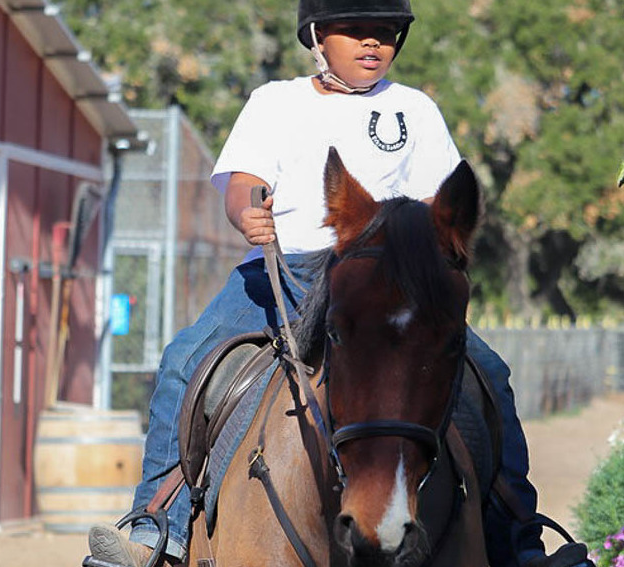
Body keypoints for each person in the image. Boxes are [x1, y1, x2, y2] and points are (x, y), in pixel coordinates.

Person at [88, 1, 553, 565]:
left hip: (385, 277)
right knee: (186, 357)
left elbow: (437, 203)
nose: (372, 44)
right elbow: (244, 181)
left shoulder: (415, 109)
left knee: (490, 376)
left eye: (385, 33)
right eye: (355, 31)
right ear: (316, 36)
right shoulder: (276, 101)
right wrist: (245, 213)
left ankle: (518, 538)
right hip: (284, 269)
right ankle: (156, 528)